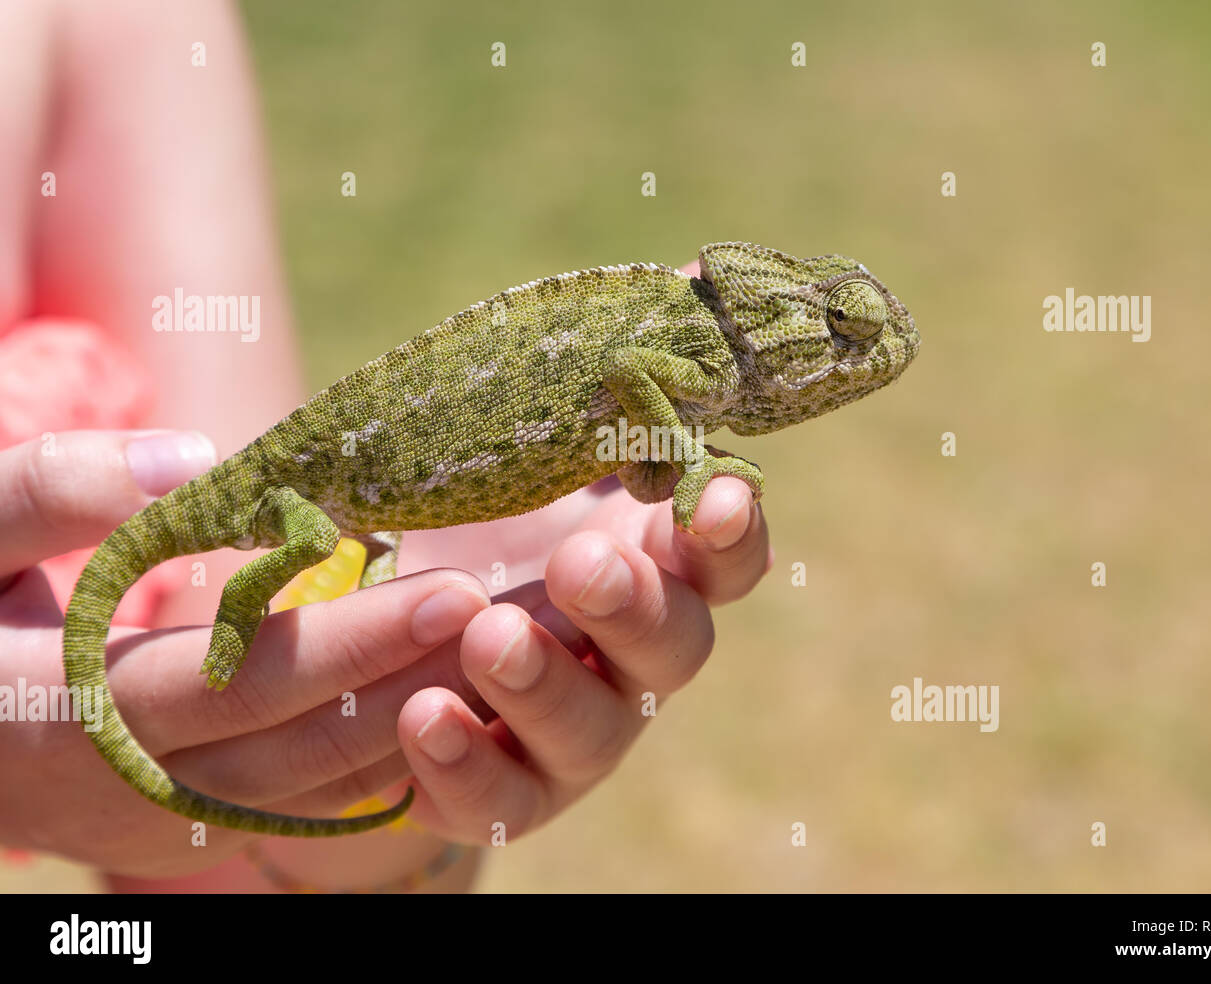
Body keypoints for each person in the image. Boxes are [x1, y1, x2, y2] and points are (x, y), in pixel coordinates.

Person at [0, 0, 771, 892]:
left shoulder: (129, 24)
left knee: (323, 537)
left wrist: (384, 813)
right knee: (306, 534)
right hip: (310, 492)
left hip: (346, 497)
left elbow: (189, 857)